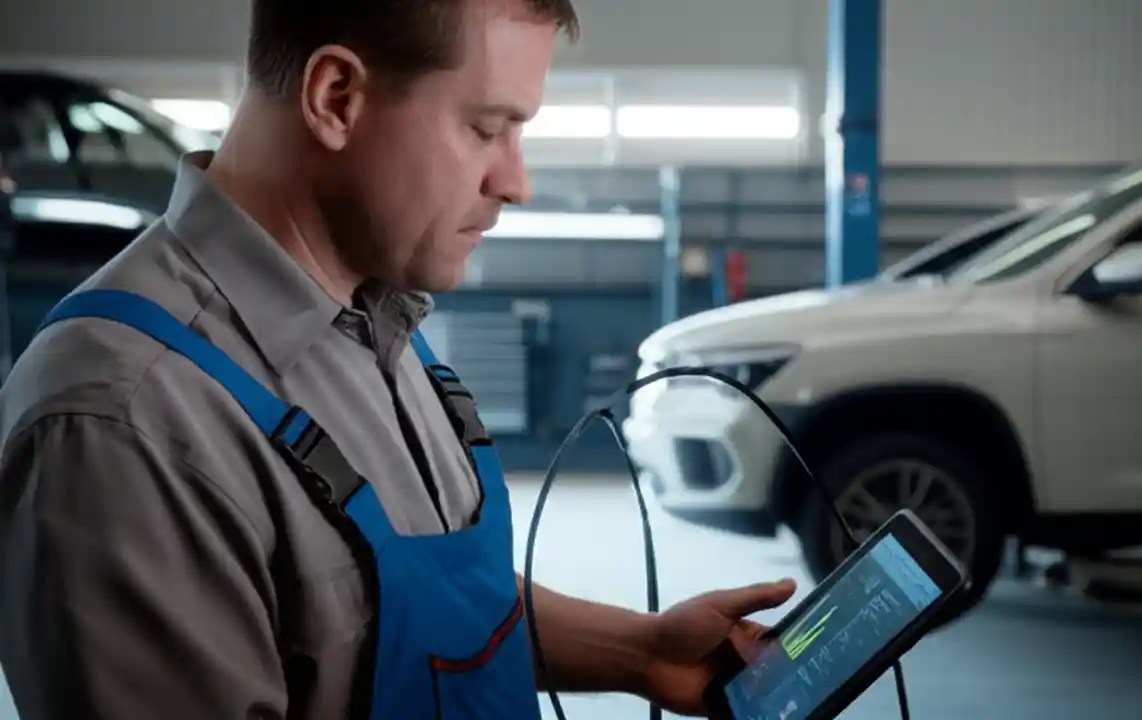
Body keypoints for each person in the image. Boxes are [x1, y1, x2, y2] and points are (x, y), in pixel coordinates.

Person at [0, 0, 797, 718]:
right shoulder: (124, 421)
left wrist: (638, 651)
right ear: (335, 99)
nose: (515, 181)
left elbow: (390, 604)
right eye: (487, 128)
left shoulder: (372, 317)